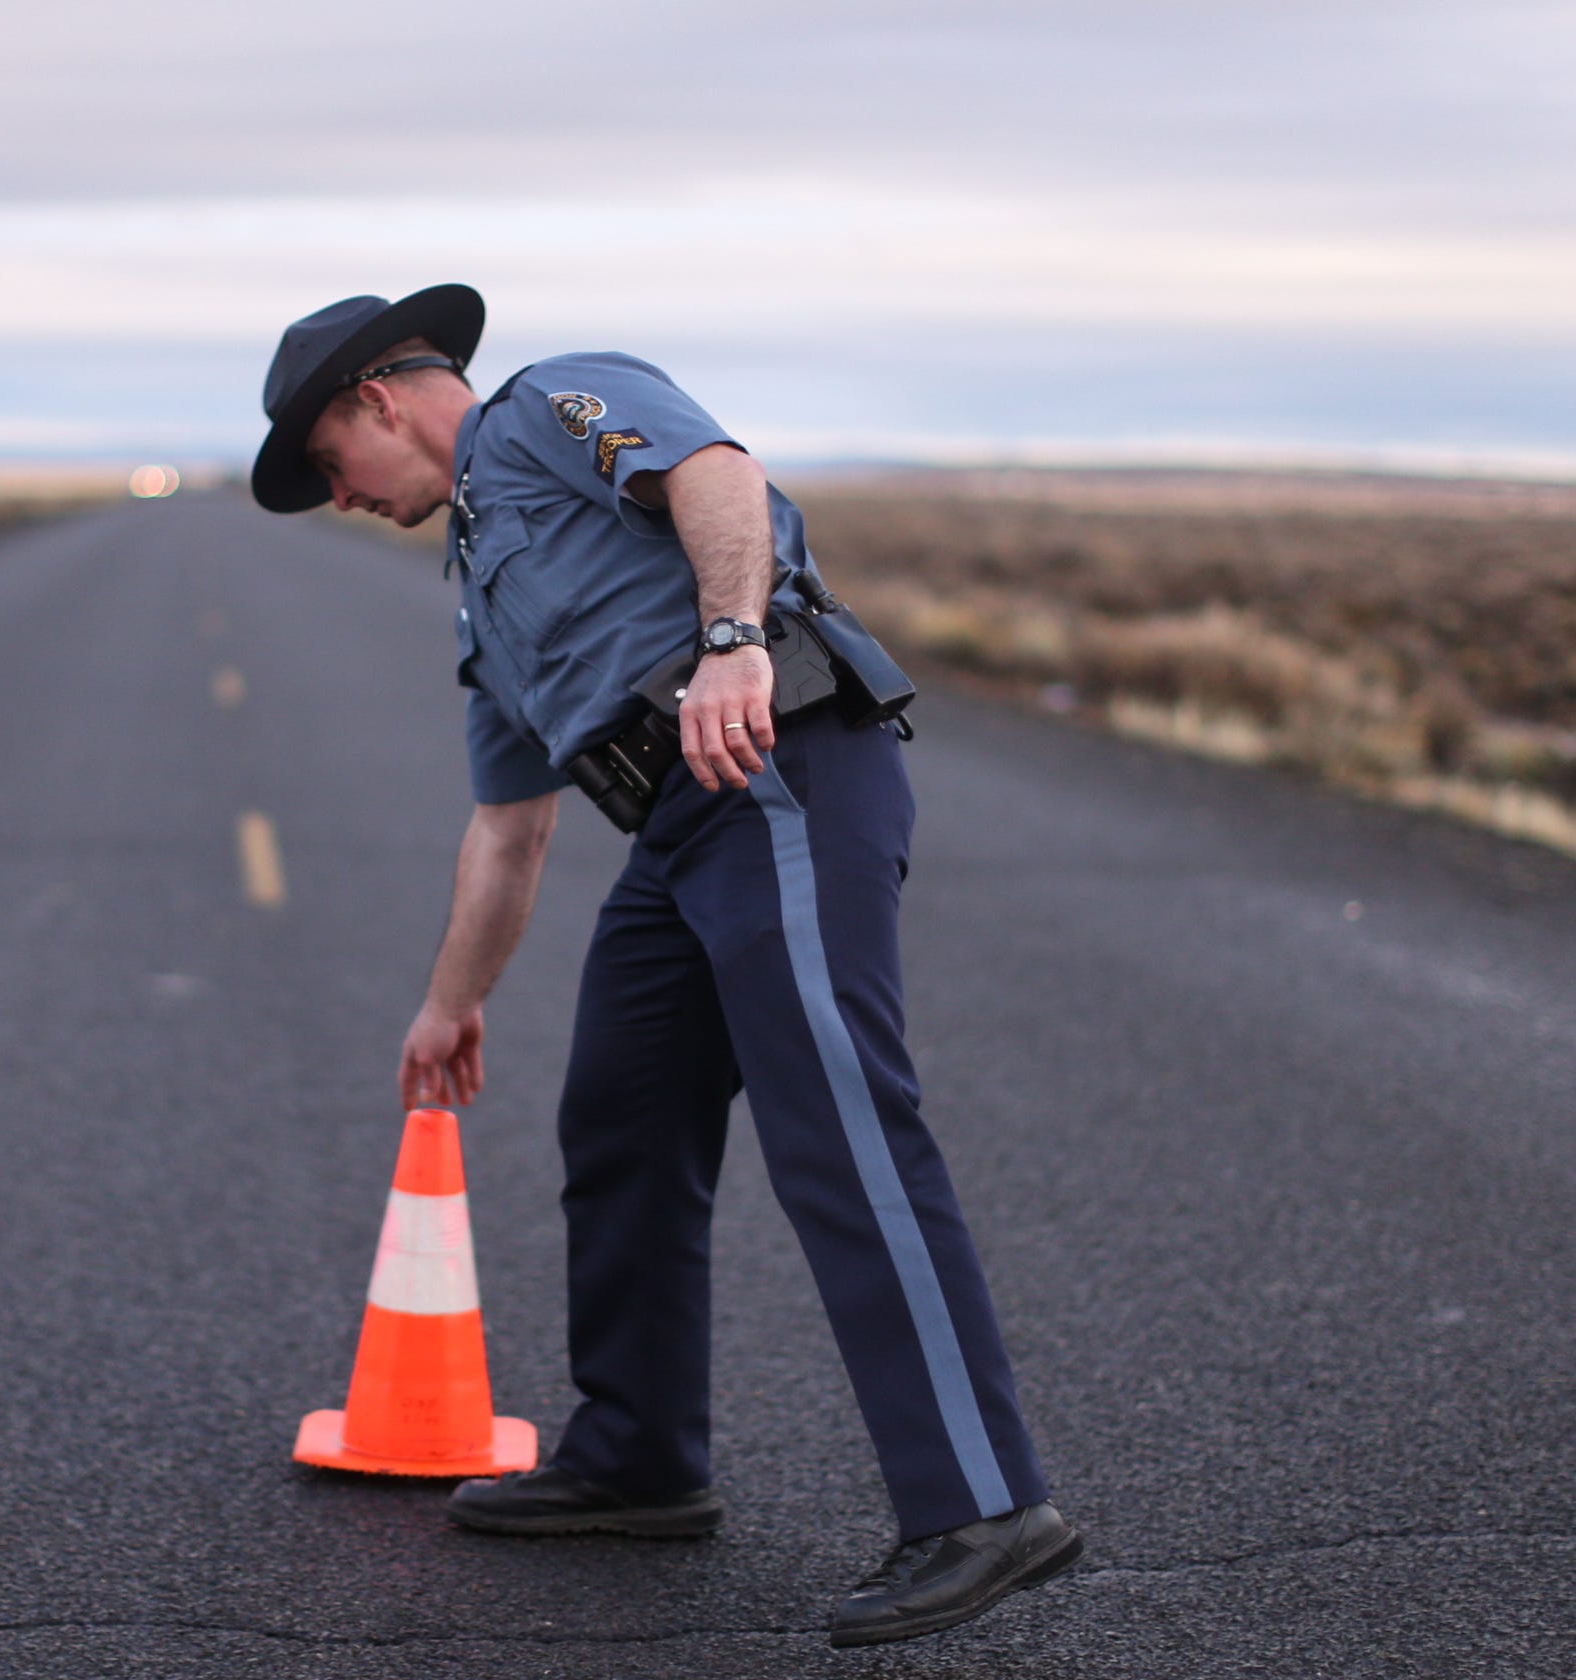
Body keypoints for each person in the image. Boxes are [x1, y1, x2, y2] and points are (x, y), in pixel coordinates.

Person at [251, 284, 1079, 1648]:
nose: (340, 497)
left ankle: (986, 1505)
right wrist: (449, 1004)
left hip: (776, 766)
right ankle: (640, 1457)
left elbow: (717, 471)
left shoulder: (548, 405)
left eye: (328, 466)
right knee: (621, 1115)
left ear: (378, 401)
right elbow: (509, 830)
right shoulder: (483, 604)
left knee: (838, 1121)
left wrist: (733, 646)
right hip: (677, 831)